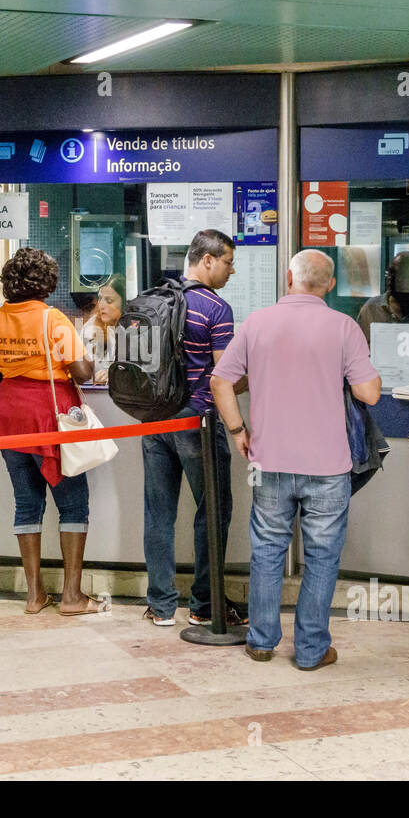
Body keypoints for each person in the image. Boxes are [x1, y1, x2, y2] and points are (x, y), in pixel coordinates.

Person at [211, 251, 381, 669]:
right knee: (322, 556)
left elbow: (220, 381)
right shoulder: (344, 327)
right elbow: (370, 394)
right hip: (327, 466)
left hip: (268, 461)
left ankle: (262, 641)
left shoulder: (257, 323)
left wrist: (238, 432)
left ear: (289, 277)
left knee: (267, 550)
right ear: (329, 285)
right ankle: (310, 651)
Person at [0, 247, 108, 617]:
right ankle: (72, 596)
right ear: (46, 282)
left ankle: (34, 596)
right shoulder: (54, 320)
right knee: (73, 503)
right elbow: (81, 372)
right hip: (49, 415)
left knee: (26, 503)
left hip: (7, 416)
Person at [141, 229, 247, 628]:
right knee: (214, 510)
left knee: (158, 512)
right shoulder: (216, 308)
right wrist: (255, 378)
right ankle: (203, 604)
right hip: (196, 421)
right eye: (227, 262)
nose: (231, 270)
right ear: (206, 260)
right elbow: (226, 378)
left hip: (153, 418)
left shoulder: (156, 299)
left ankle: (161, 605)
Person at [81, 273, 126, 385]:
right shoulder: (90, 328)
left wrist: (114, 375)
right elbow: (82, 372)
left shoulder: (133, 329)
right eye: (100, 298)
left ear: (124, 303)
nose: (101, 305)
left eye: (109, 301)